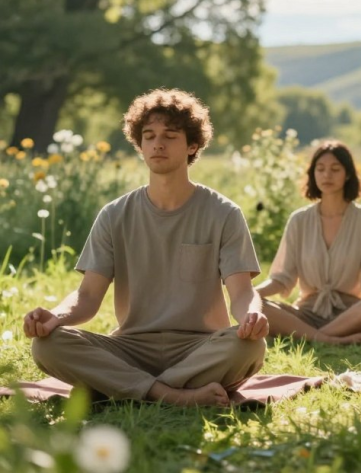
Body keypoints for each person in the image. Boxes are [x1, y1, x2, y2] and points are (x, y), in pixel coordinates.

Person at [23, 89, 267, 407]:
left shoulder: (224, 213)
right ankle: (172, 395)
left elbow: (242, 292)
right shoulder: (114, 214)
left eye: (170, 135)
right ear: (140, 145)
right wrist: (54, 316)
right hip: (130, 347)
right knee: (47, 345)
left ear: (193, 145)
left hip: (200, 348)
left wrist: (252, 316)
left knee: (249, 348)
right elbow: (87, 297)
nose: (157, 144)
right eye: (148, 136)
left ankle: (120, 387)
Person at [257, 141, 361, 344]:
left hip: (351, 314)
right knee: (257, 306)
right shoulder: (299, 220)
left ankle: (313, 338)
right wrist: (251, 294)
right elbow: (282, 278)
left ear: (347, 174)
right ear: (313, 175)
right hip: (306, 314)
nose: (326, 175)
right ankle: (330, 339)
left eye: (335, 169)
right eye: (320, 169)